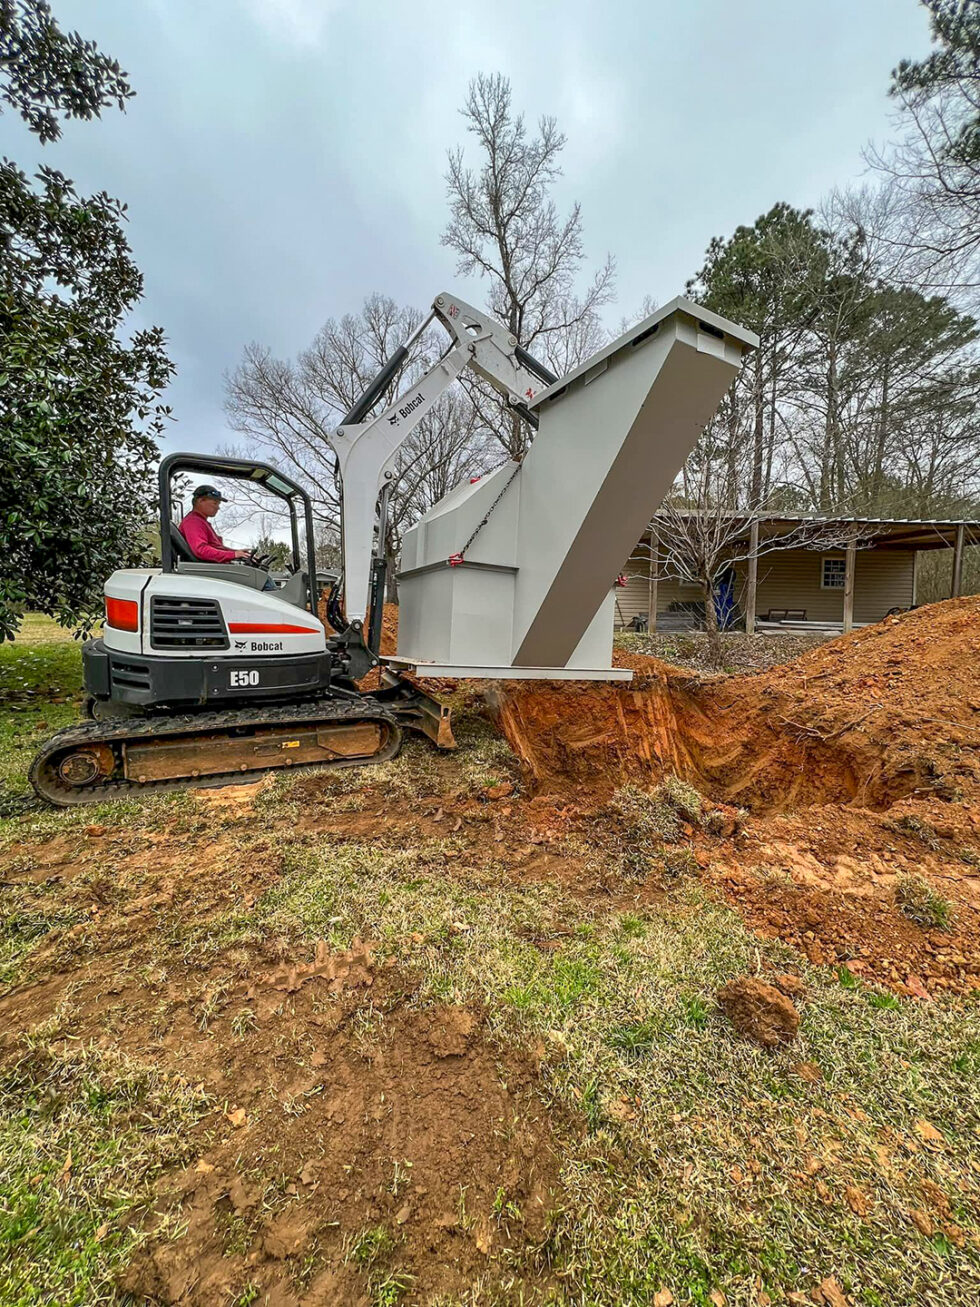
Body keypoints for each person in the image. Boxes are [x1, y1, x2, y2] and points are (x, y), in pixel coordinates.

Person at [179, 485, 277, 589]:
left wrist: (240, 553)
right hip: (209, 570)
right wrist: (233, 554)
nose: (218, 507)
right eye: (215, 503)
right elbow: (201, 550)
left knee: (261, 576)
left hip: (213, 568)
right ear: (200, 501)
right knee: (263, 581)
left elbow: (216, 547)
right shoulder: (194, 522)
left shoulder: (201, 522)